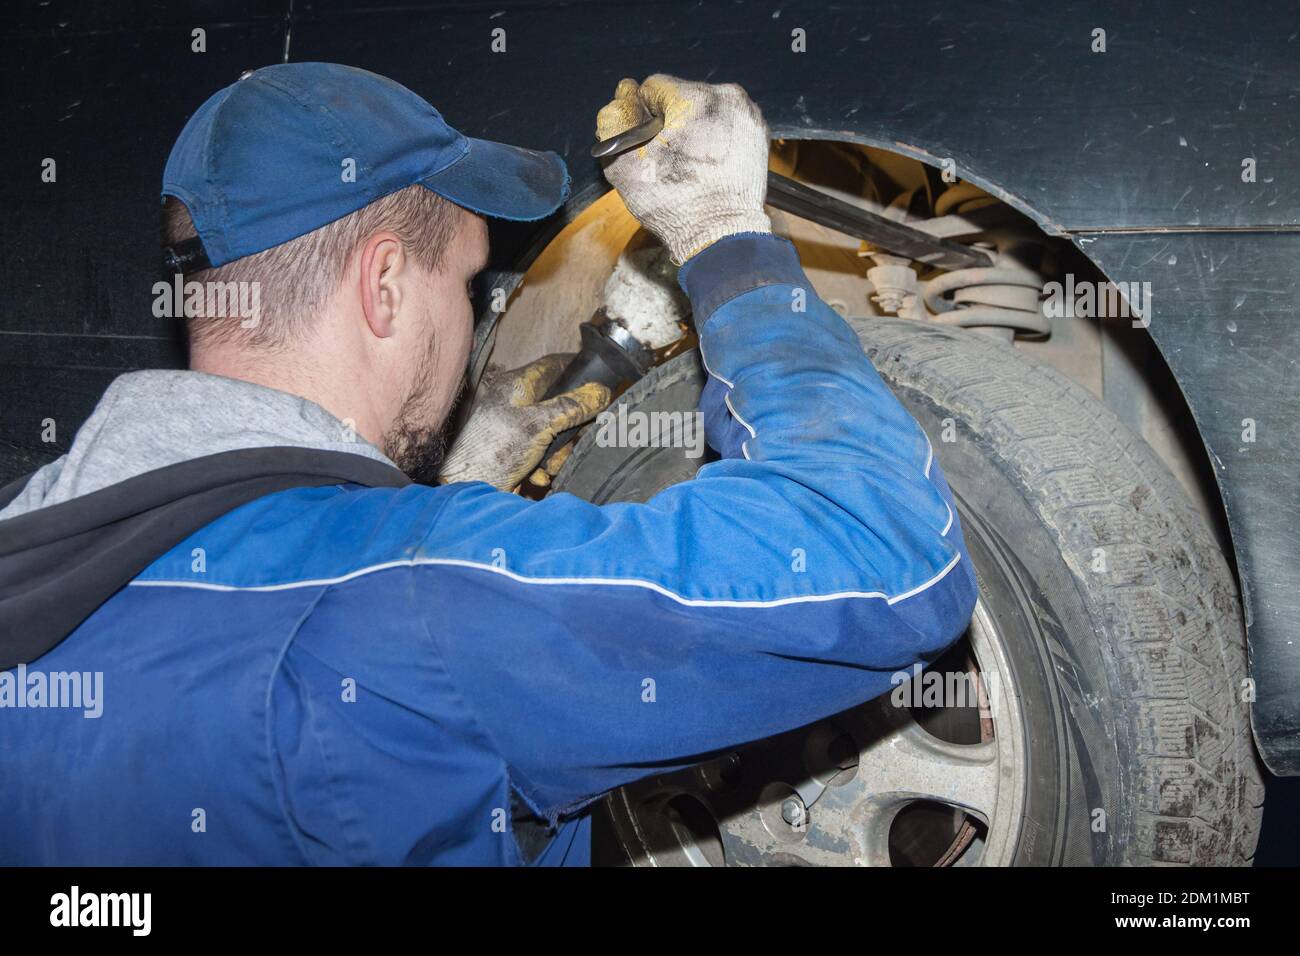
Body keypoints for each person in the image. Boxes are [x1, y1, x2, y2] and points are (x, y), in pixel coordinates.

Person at [0, 64, 976, 865]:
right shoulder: (415, 599)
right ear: (384, 283)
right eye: (467, 282)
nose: (473, 326)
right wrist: (727, 239)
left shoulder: (32, 559)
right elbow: (885, 553)